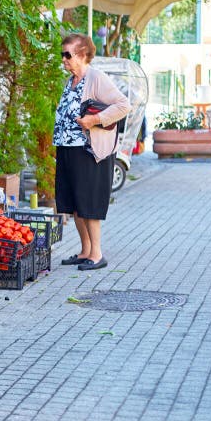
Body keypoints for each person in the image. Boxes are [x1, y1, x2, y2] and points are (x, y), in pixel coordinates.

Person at [54, 33, 130, 271]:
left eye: (68, 55)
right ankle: (85, 250)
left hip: (88, 150)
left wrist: (95, 119)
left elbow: (123, 105)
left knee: (88, 203)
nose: (64, 59)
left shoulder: (96, 78)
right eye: (62, 54)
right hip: (68, 148)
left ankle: (97, 254)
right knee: (75, 203)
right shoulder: (71, 81)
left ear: (83, 54)